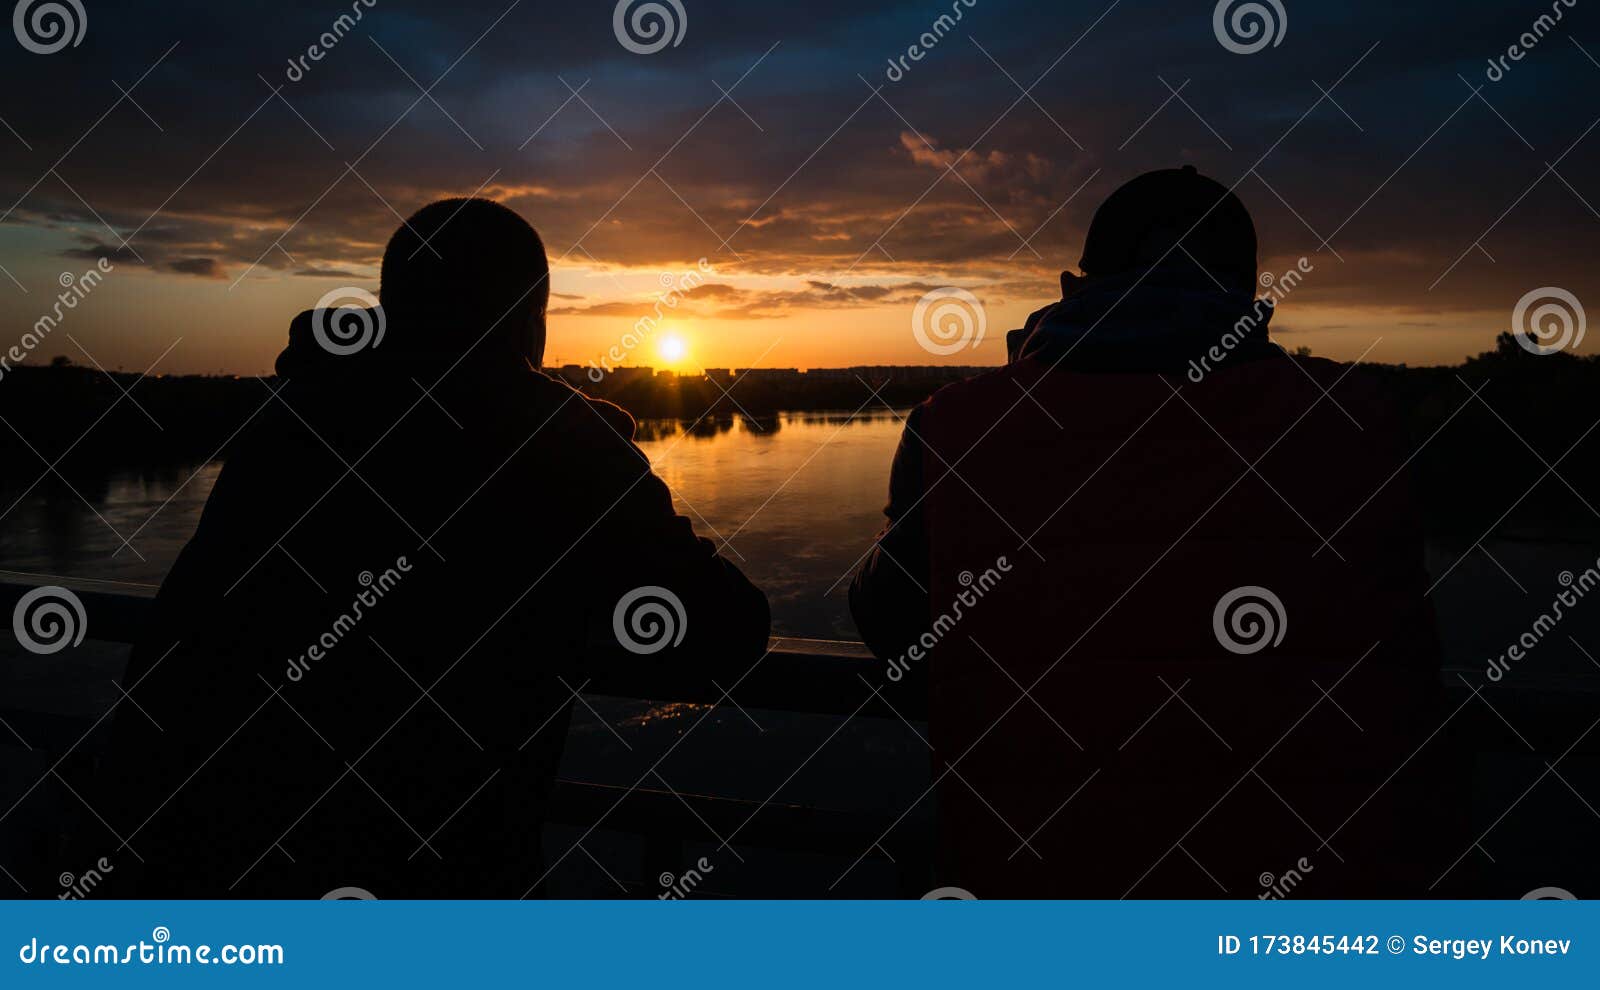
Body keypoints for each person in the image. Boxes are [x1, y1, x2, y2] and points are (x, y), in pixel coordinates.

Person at [96, 198, 770, 897]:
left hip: (234, 868)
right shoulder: (565, 446)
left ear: (392, 307)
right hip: (455, 880)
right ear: (530, 323)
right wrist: (582, 591)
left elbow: (180, 644)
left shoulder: (294, 424)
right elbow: (732, 629)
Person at [851, 167, 1450, 897]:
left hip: (1038, 876)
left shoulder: (954, 425)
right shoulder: (1356, 418)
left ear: (1074, 287)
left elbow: (891, 624)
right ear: (1247, 296)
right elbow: (1402, 641)